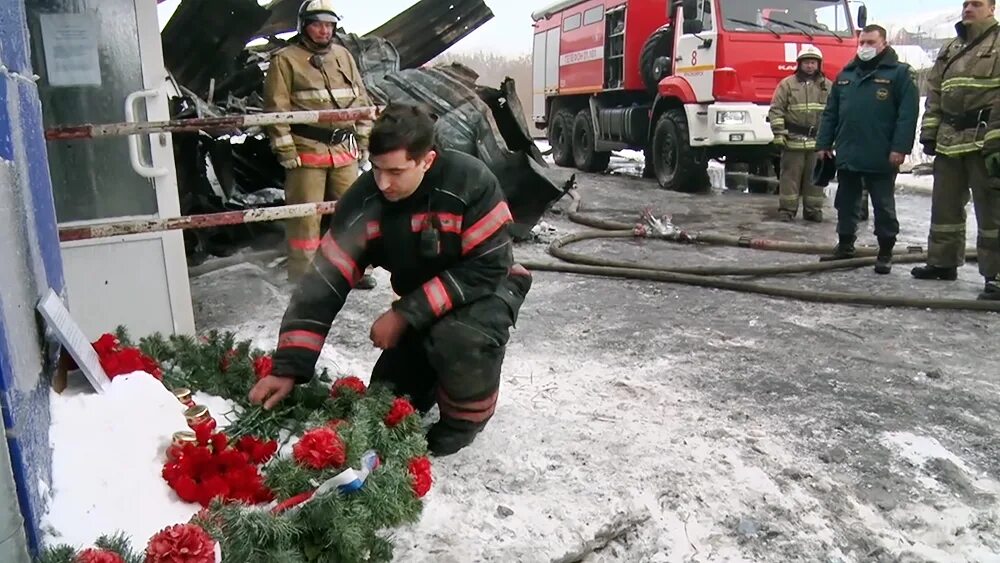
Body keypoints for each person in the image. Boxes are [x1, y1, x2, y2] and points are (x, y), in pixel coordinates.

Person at [248, 104, 532, 457]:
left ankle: (465, 421)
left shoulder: (469, 182)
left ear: (427, 160)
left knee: (458, 338)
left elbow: (489, 266)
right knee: (387, 401)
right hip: (425, 300)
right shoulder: (365, 201)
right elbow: (322, 285)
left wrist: (404, 314)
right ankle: (431, 373)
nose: (384, 183)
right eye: (377, 169)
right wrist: (288, 367)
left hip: (489, 288)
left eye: (396, 171)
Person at [263, 0, 377, 287]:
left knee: (352, 213)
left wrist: (363, 140)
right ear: (304, 26)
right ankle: (304, 279)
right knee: (305, 218)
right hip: (306, 151)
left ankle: (354, 270)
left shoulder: (343, 55)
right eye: (318, 24)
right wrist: (285, 149)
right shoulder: (285, 59)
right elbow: (275, 110)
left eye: (329, 25)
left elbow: (361, 101)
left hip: (344, 150)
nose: (325, 30)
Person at [815, 24, 920, 274]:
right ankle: (845, 245)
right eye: (861, 43)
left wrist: (900, 148)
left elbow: (907, 115)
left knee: (883, 205)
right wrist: (824, 143)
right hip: (849, 151)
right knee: (845, 202)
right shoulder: (846, 75)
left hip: (881, 153)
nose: (865, 48)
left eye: (871, 43)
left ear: (884, 43)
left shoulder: (900, 74)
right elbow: (831, 113)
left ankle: (885, 252)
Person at [914, 0, 1000, 301]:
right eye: (965, 4)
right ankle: (942, 262)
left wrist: (996, 139)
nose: (968, 9)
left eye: (976, 4)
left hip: (984, 140)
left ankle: (996, 276)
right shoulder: (950, 48)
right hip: (950, 141)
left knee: (993, 213)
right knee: (944, 209)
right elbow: (935, 93)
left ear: (991, 8)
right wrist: (929, 132)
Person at [768, 45, 831, 222]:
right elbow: (776, 110)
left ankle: (813, 210)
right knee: (790, 178)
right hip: (792, 141)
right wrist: (779, 133)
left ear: (818, 64)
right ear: (799, 64)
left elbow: (835, 113)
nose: (810, 66)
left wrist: (832, 139)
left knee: (815, 179)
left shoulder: (828, 86)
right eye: (806, 62)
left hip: (817, 143)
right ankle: (787, 211)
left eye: (813, 62)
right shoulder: (787, 84)